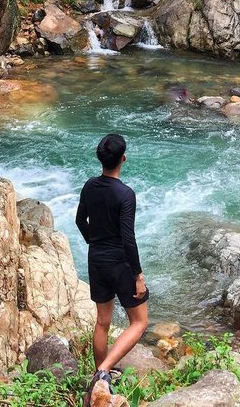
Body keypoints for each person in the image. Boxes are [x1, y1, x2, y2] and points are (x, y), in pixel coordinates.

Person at [75, 133, 149, 405]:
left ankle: (99, 376)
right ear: (123, 159)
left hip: (96, 259)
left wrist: (93, 241)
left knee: (102, 321)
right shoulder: (125, 194)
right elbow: (128, 238)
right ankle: (105, 370)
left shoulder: (89, 186)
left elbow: (79, 220)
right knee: (140, 322)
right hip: (120, 263)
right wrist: (138, 276)